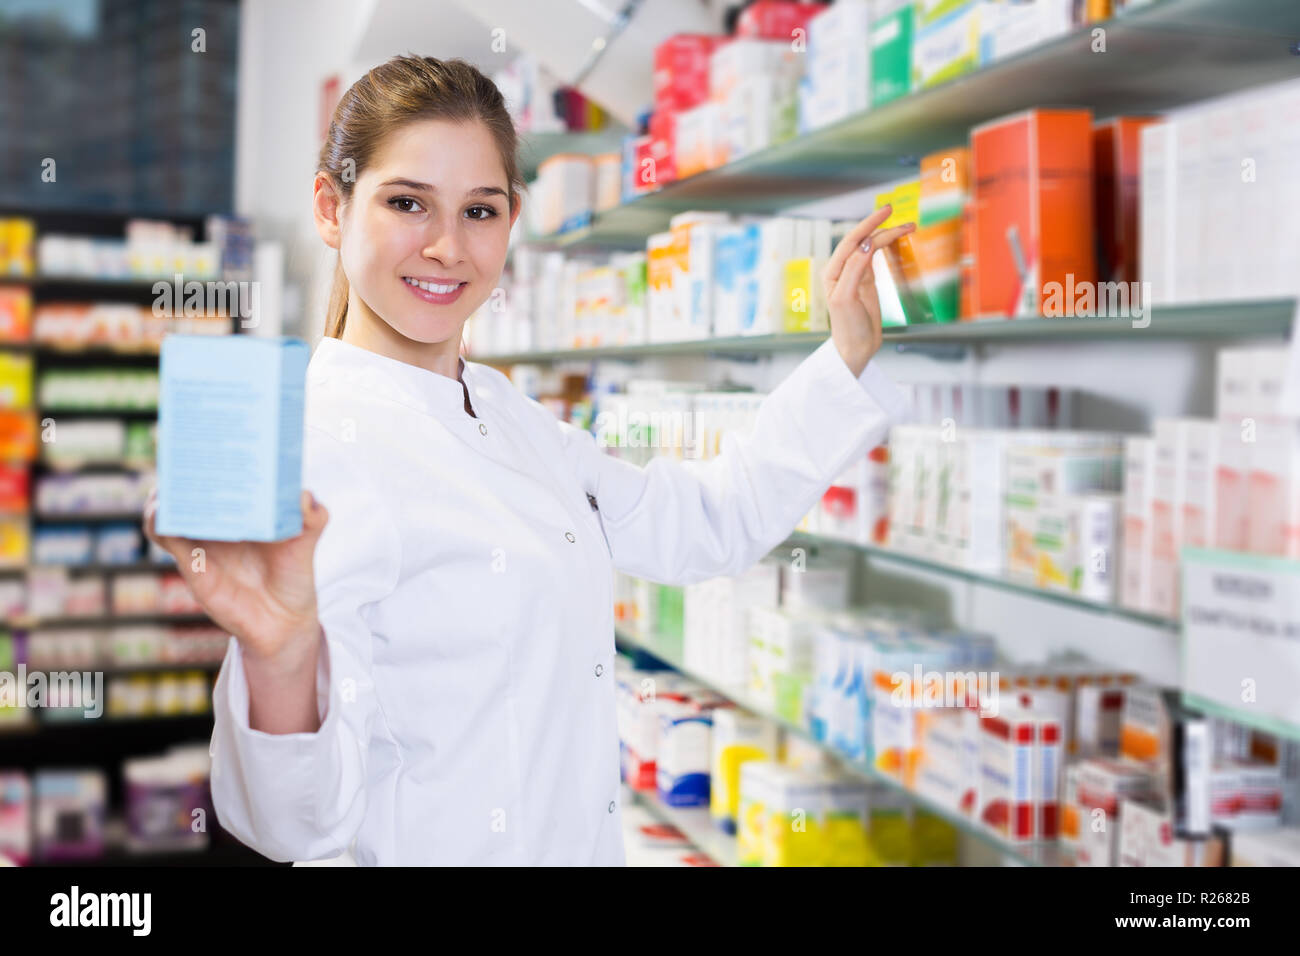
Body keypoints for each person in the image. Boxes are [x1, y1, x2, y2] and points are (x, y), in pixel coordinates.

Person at [144, 55, 914, 866]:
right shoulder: (316, 449)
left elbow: (701, 526)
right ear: (331, 208)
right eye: (408, 203)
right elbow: (293, 825)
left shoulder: (506, 411)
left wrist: (844, 357)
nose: (446, 247)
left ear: (512, 220)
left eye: (479, 210)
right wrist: (280, 654)